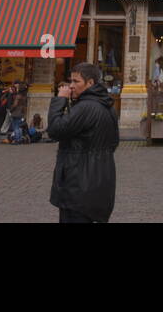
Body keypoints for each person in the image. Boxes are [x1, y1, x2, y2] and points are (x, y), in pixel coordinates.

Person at [46, 62, 120, 222]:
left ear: (90, 83)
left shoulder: (85, 107)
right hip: (100, 182)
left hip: (78, 186)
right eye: (70, 81)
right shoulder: (108, 106)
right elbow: (114, 142)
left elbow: (54, 130)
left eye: (76, 81)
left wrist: (60, 100)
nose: (71, 86)